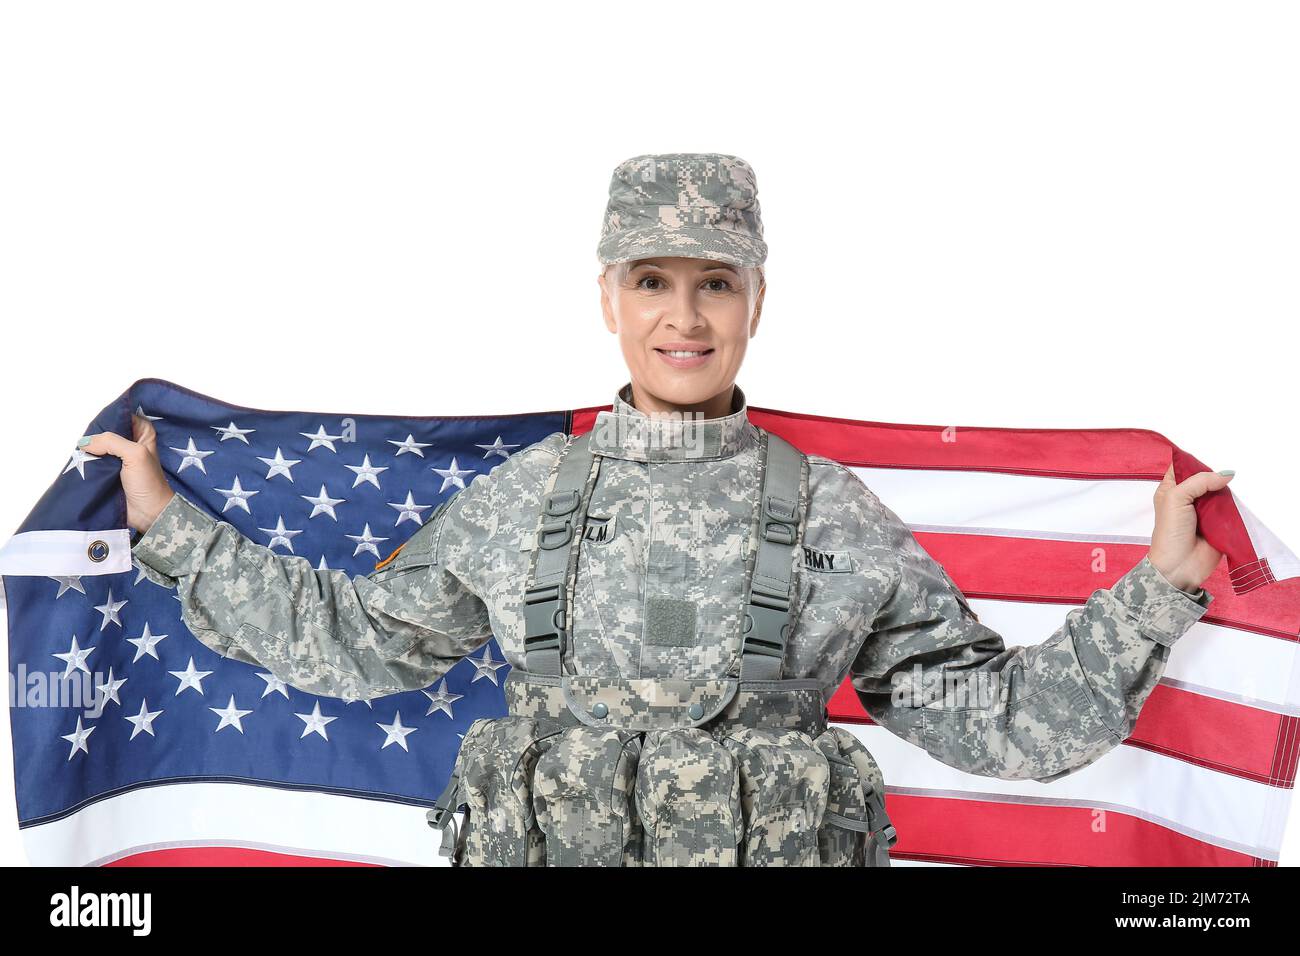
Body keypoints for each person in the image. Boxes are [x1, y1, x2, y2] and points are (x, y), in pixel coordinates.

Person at [79, 152, 1232, 866]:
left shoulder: (833, 513)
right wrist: (170, 522)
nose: (683, 317)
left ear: (756, 300)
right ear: (608, 299)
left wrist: (1157, 592)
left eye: (714, 282)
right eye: (652, 280)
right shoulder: (523, 497)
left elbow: (995, 716)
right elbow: (360, 641)